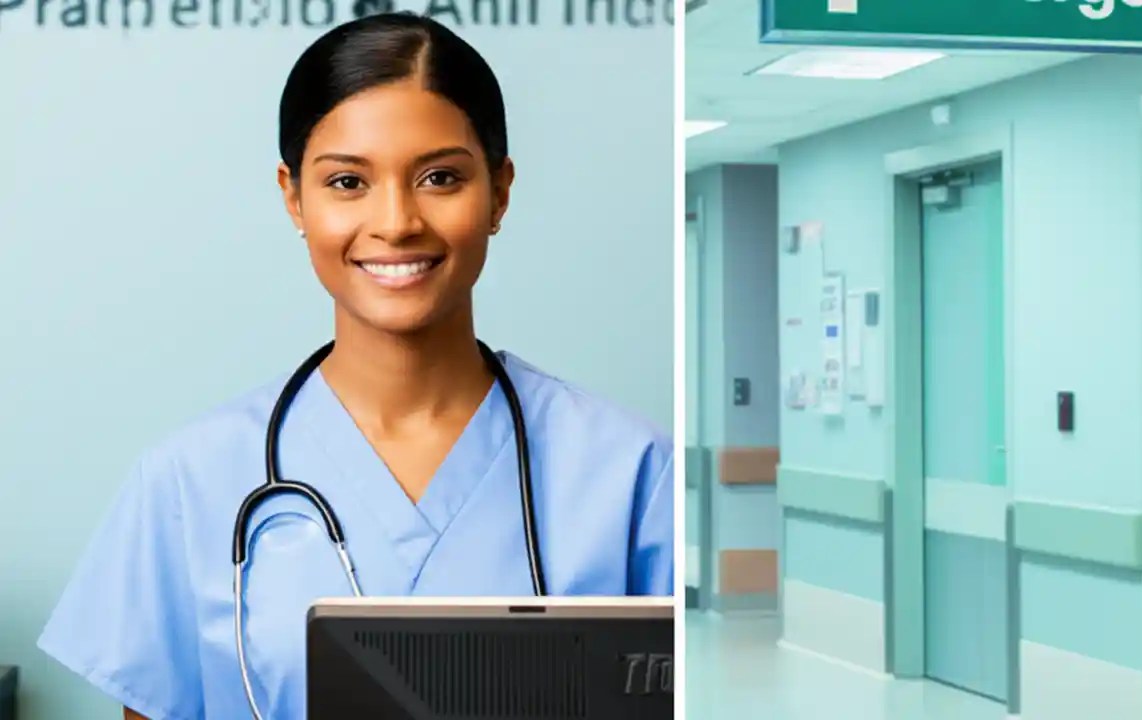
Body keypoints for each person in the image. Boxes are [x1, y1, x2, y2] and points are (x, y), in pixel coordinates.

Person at [36, 12, 674, 720]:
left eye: (439, 177)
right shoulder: (189, 483)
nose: (397, 220)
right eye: (347, 182)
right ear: (293, 197)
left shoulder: (630, 473)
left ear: (500, 191)